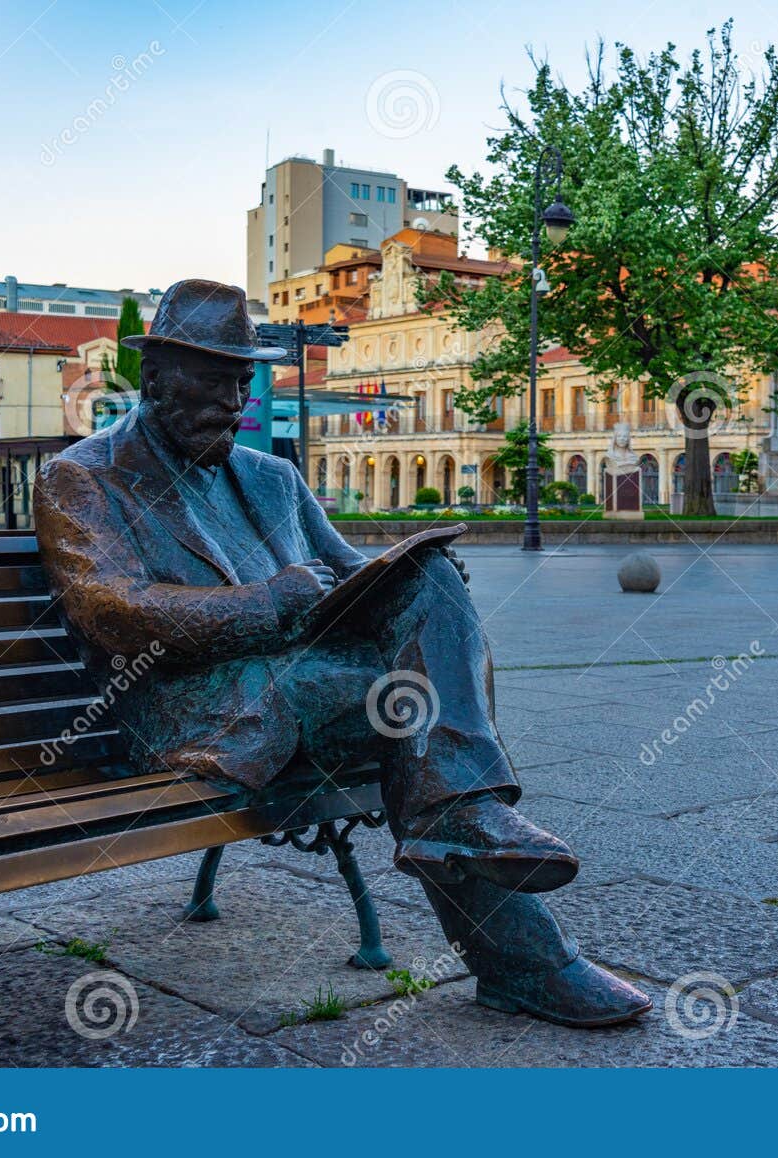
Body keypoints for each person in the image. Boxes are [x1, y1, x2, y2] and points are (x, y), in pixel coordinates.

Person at [34, 280, 648, 1027]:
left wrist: (416, 580)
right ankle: (519, 942)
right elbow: (111, 610)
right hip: (186, 708)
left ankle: (464, 830)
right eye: (213, 379)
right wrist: (268, 603)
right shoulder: (84, 475)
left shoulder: (273, 477)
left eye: (241, 379)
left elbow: (353, 573)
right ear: (157, 375)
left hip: (307, 689)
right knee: (418, 728)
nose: (233, 400)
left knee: (425, 608)